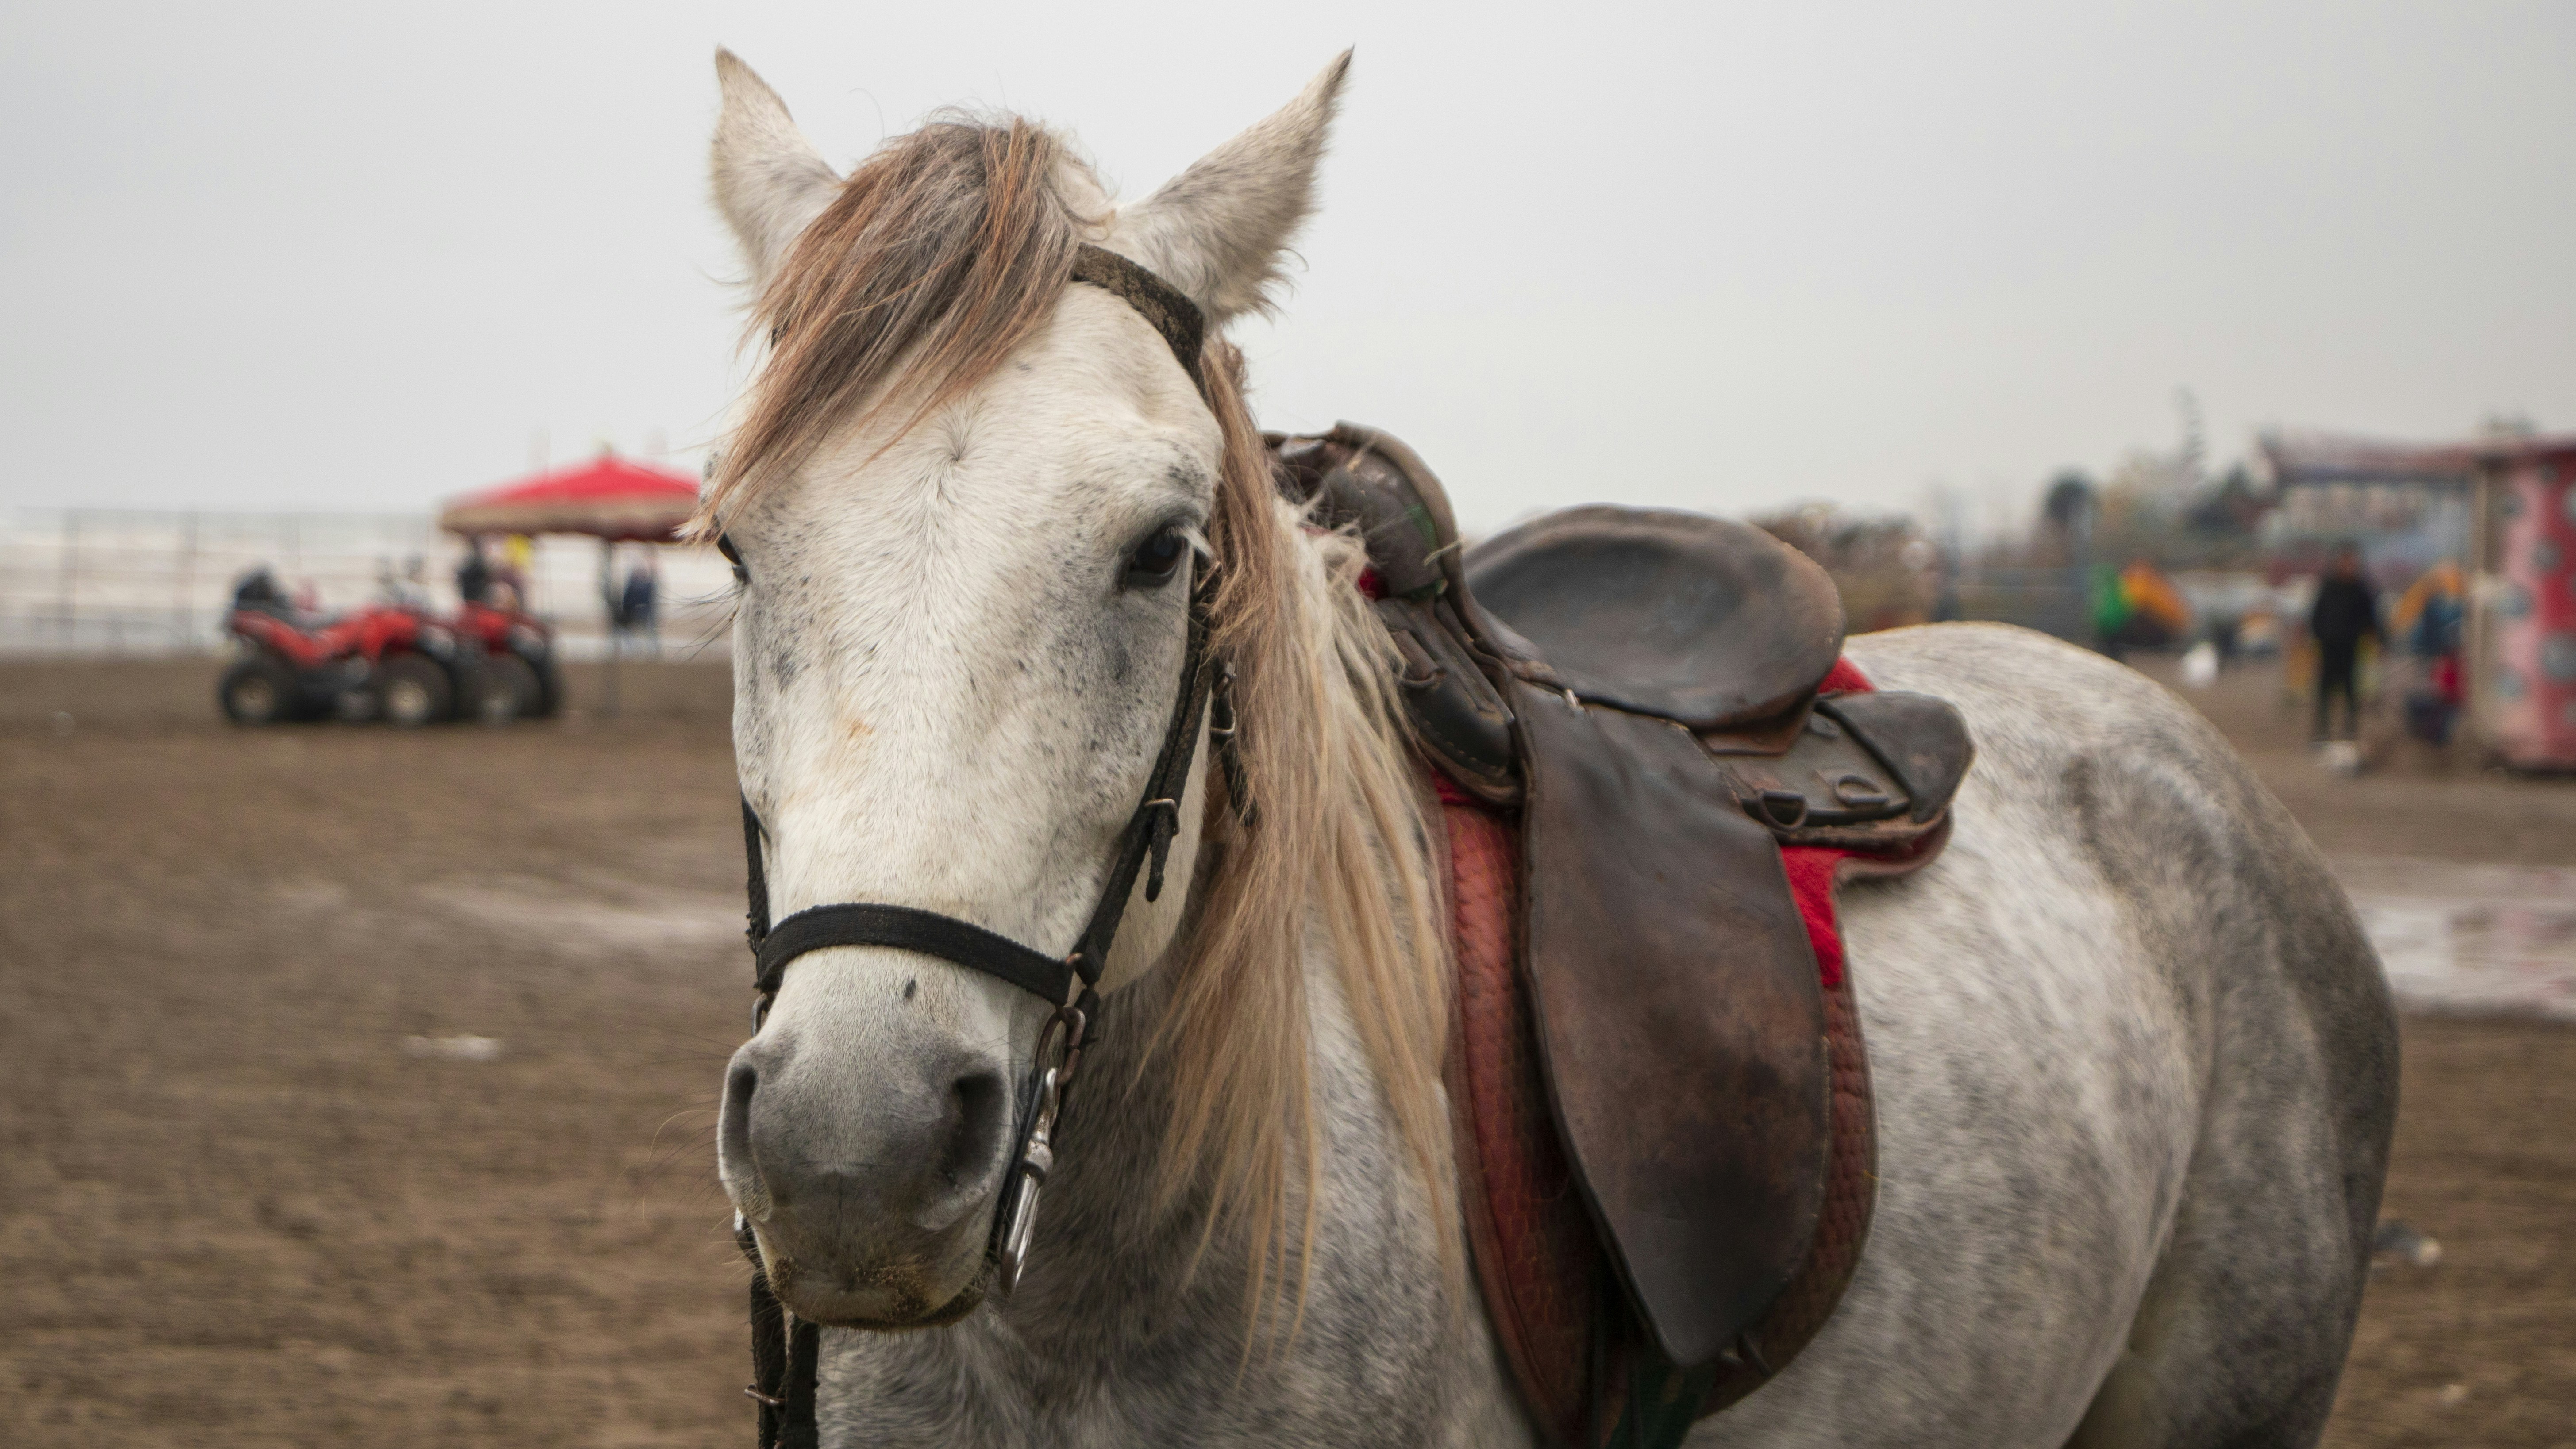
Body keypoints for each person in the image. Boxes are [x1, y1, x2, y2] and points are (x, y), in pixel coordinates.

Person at [2307, 544, 2382, 742]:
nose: (2348, 566)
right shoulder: (2329, 586)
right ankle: (2322, 732)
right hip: (2329, 646)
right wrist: (2317, 635)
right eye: (2345, 562)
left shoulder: (2361, 589)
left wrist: (2379, 640)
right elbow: (2317, 614)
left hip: (2350, 647)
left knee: (2351, 691)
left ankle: (2350, 732)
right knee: (2325, 690)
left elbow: (2371, 618)